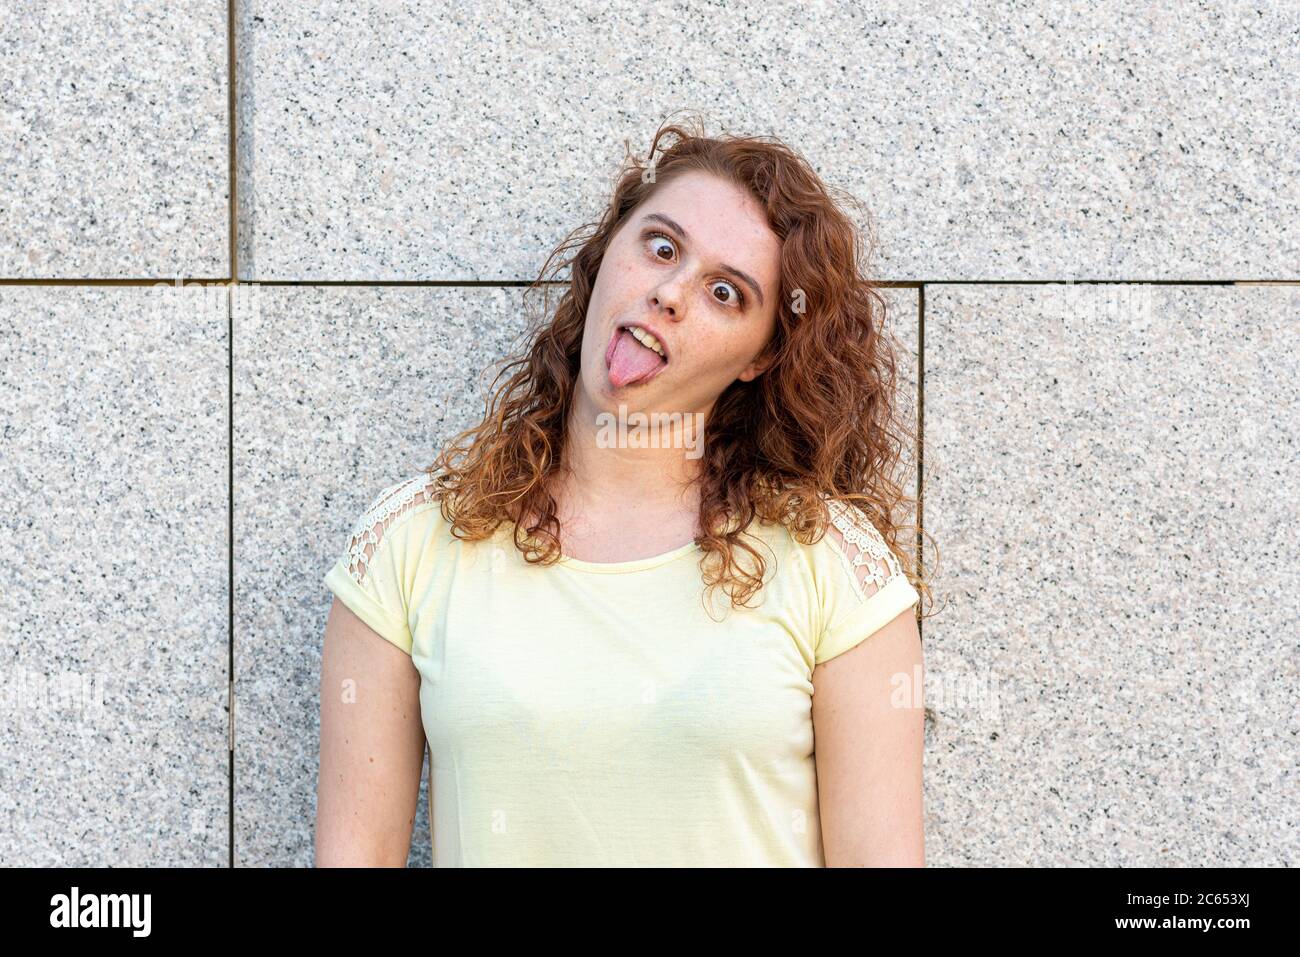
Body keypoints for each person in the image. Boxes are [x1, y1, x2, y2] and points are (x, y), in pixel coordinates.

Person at [315, 115, 934, 867]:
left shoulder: (834, 567)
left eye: (725, 293)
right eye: (662, 246)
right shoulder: (411, 545)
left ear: (761, 356)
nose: (671, 292)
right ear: (609, 250)